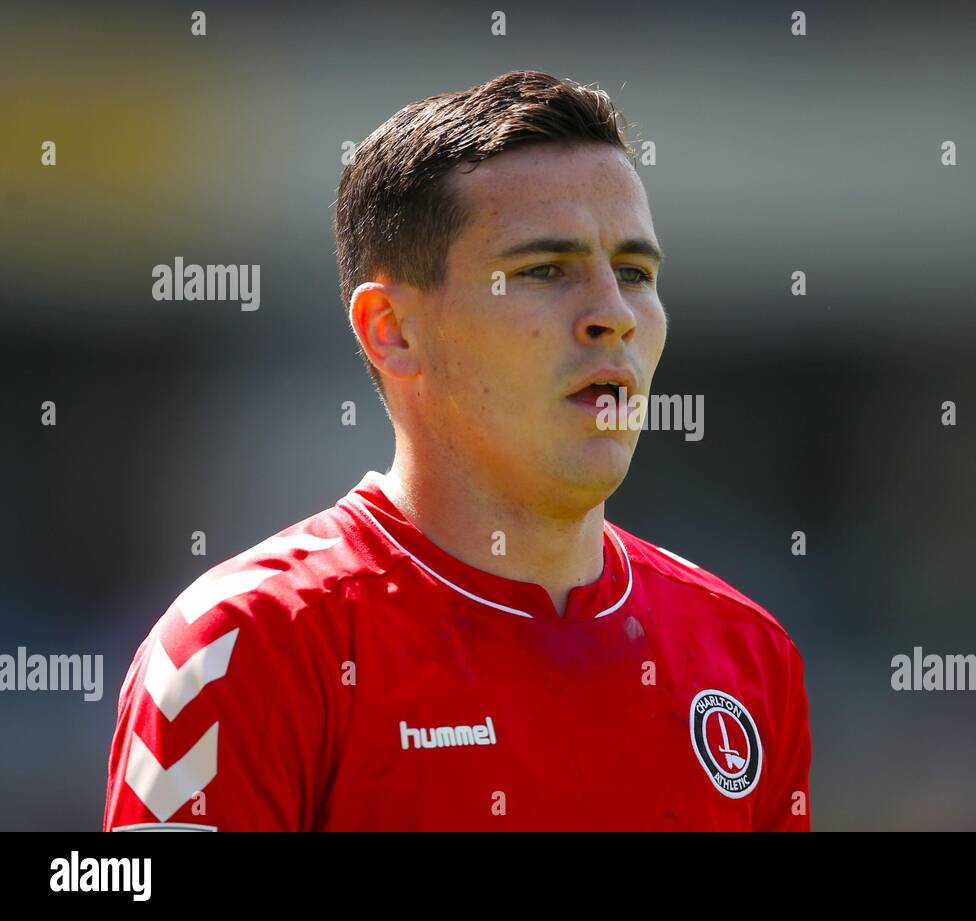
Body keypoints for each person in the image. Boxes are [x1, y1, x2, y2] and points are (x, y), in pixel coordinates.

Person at [103, 70, 811, 830]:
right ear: (392, 331)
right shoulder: (245, 645)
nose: (614, 314)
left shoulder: (745, 658)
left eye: (634, 273)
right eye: (545, 270)